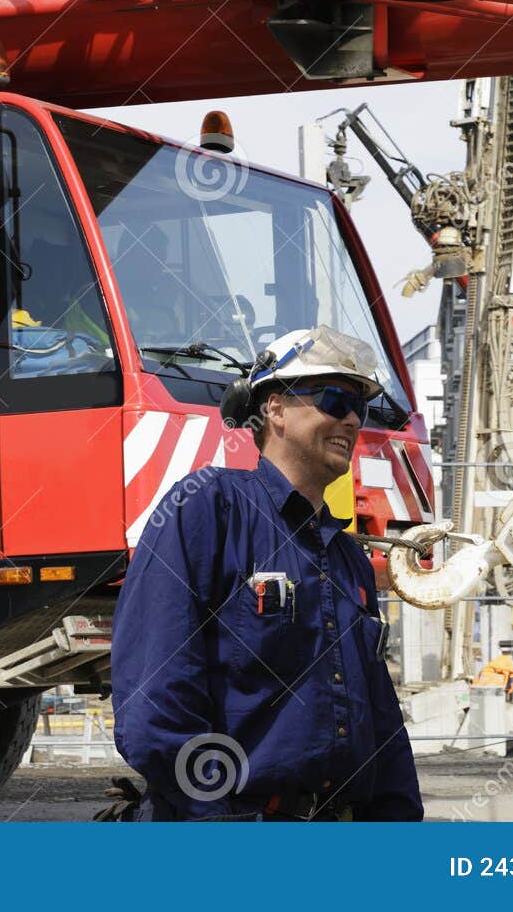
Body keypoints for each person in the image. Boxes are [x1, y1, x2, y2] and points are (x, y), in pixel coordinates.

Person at [110, 325, 422, 821]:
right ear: (274, 408)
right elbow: (157, 694)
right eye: (335, 399)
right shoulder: (209, 509)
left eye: (359, 408)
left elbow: (380, 718)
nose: (351, 419)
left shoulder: (348, 559)